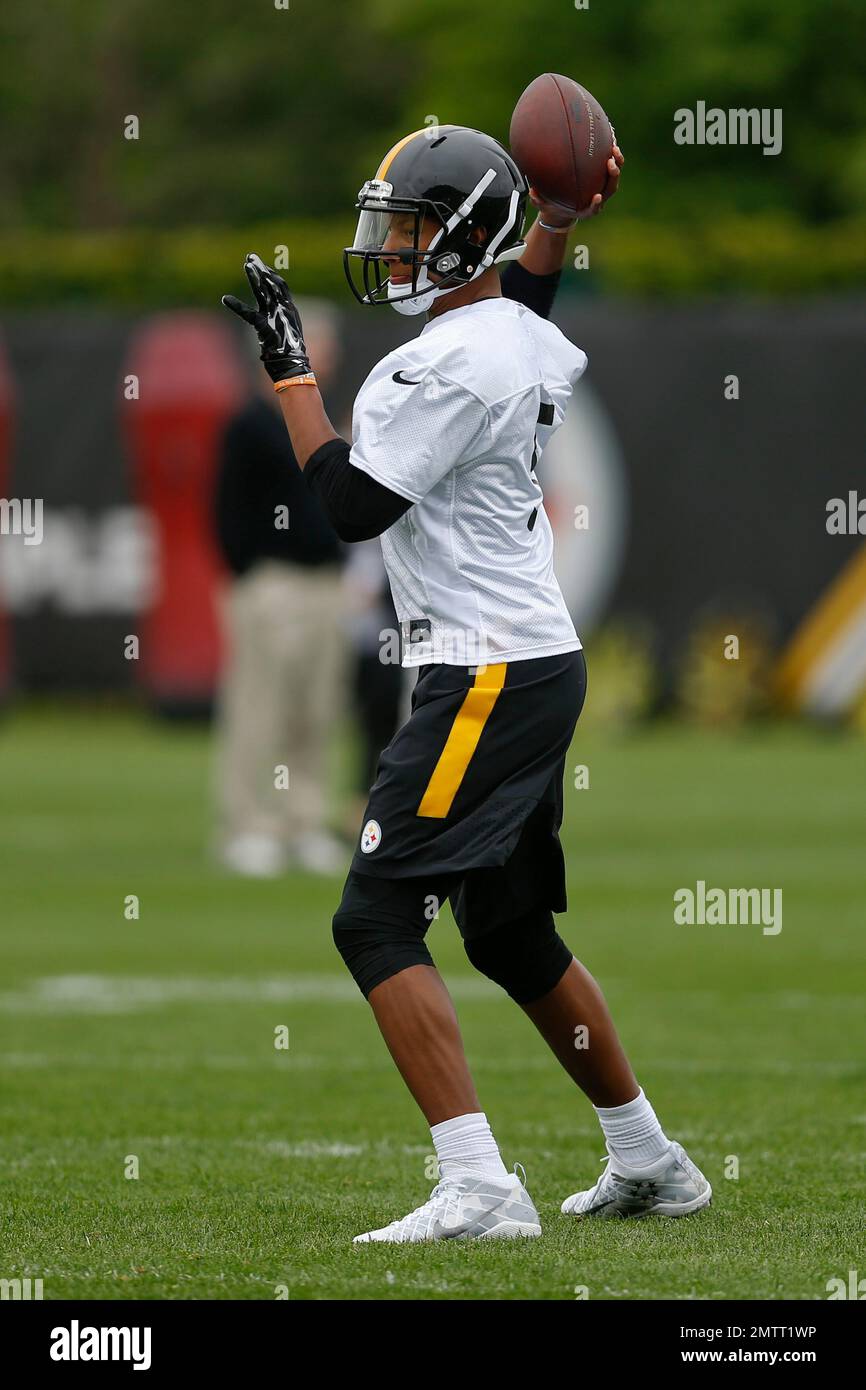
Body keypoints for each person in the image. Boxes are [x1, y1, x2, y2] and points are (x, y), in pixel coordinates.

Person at [222, 124, 711, 1241]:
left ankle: (479, 1186)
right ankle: (648, 1156)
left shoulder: (428, 363)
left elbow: (350, 507)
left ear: (462, 239)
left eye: (409, 230)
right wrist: (554, 225)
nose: (390, 249)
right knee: (506, 930)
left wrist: (291, 378)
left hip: (484, 667)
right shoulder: (510, 335)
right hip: (531, 659)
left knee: (374, 917)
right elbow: (520, 309)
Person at [213, 301, 347, 877]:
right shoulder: (250, 423)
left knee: (315, 710)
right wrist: (251, 577)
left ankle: (305, 819)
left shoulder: (321, 422)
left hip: (325, 585)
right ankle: (249, 824)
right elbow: (224, 514)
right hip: (274, 585)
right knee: (260, 708)